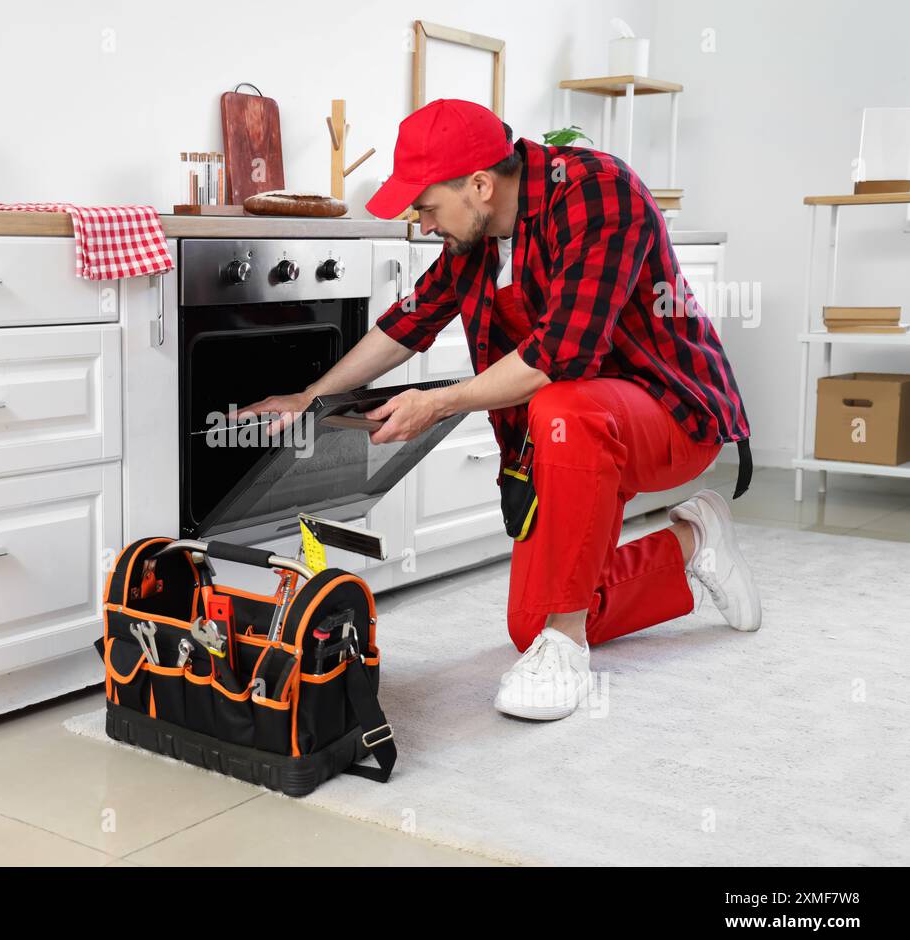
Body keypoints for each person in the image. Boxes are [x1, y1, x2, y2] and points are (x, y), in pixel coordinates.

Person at [237, 98, 761, 721]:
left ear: (480, 185)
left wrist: (439, 402)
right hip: (571, 443)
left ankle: (567, 647)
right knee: (526, 627)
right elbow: (407, 324)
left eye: (427, 206)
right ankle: (692, 540)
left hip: (671, 415)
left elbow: (556, 357)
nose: (423, 223)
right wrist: (310, 398)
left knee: (564, 405)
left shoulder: (600, 194)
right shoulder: (477, 238)